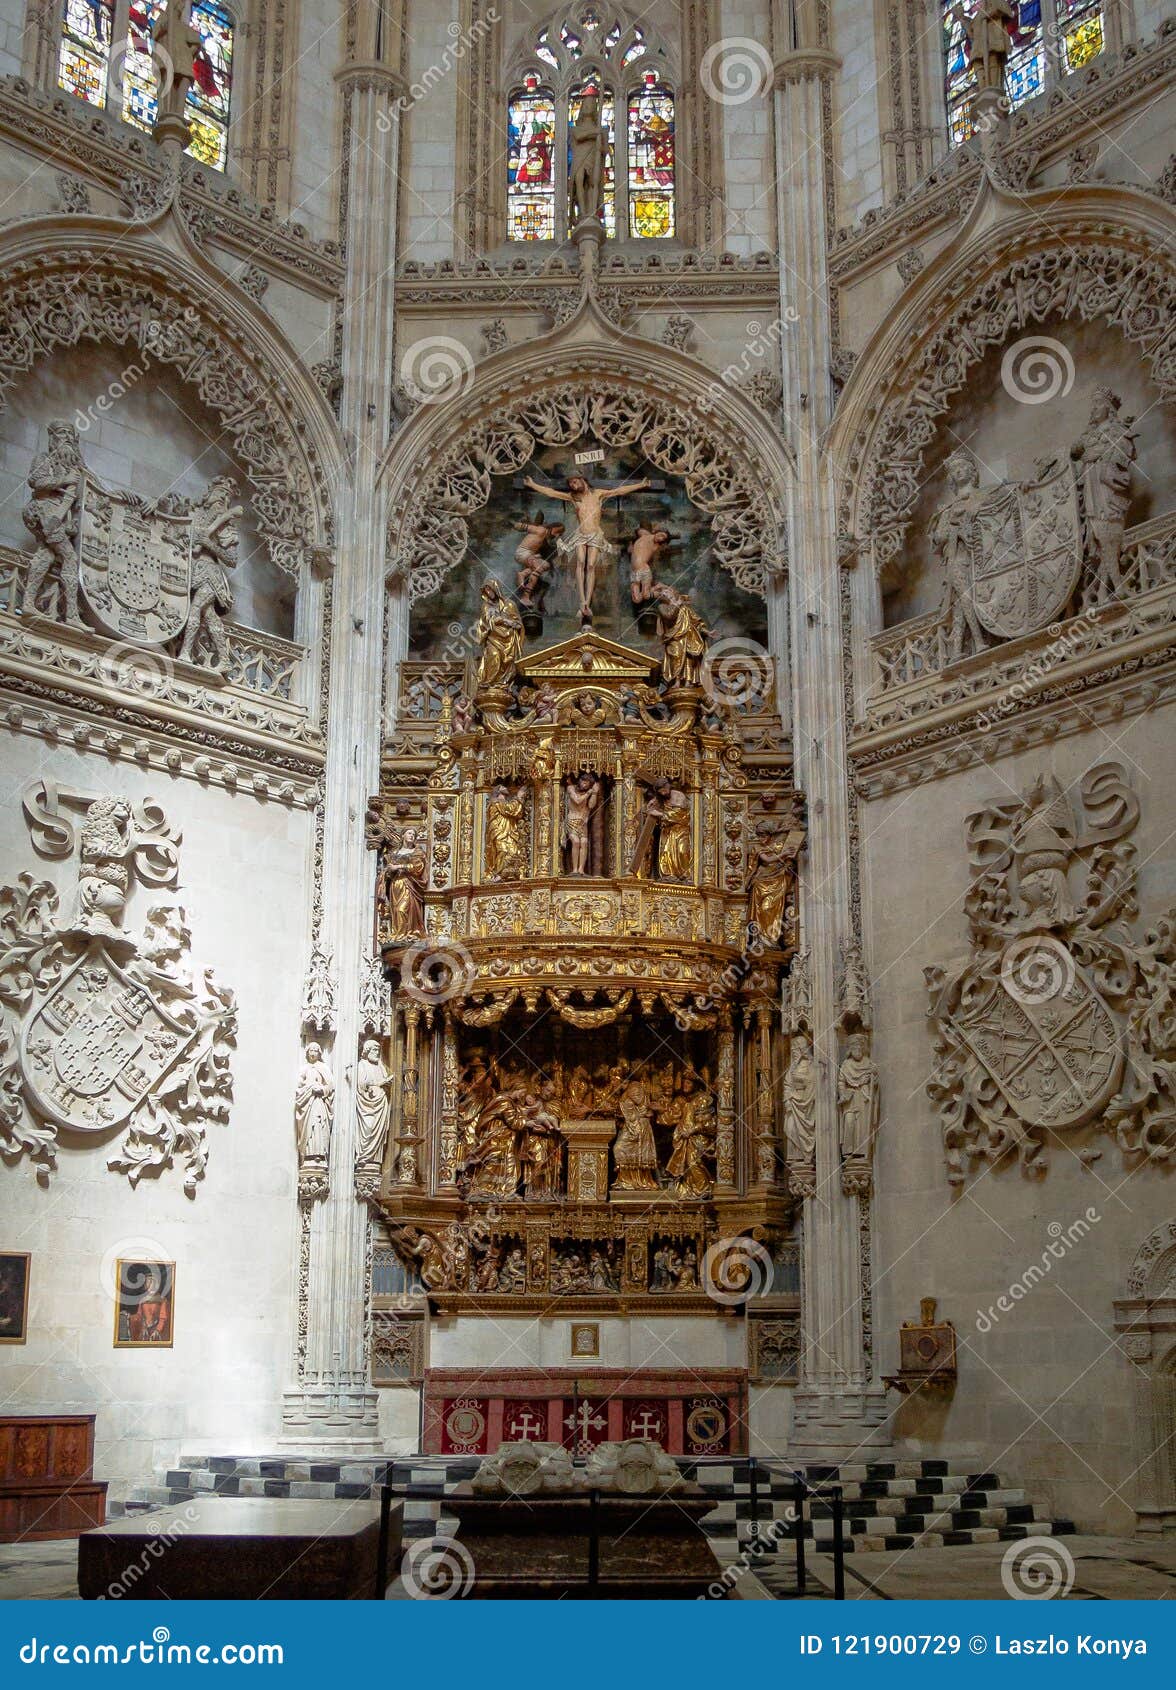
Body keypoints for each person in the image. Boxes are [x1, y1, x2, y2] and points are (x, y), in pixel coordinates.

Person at [522, 471, 651, 623]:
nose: (573, 486)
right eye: (570, 484)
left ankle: (586, 604)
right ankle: (581, 602)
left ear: (583, 480)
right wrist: (532, 485)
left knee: (590, 566)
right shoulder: (572, 497)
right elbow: (551, 493)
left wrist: (641, 485)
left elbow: (619, 490)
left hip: (595, 535)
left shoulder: (598, 494)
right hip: (580, 535)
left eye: (575, 482)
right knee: (581, 563)